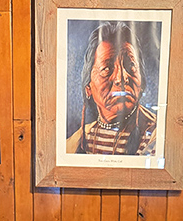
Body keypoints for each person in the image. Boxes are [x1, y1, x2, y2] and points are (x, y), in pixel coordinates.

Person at [66, 21, 157, 155]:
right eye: (106, 69)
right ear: (88, 88)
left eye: (131, 65)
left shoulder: (156, 135)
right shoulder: (76, 142)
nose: (122, 78)